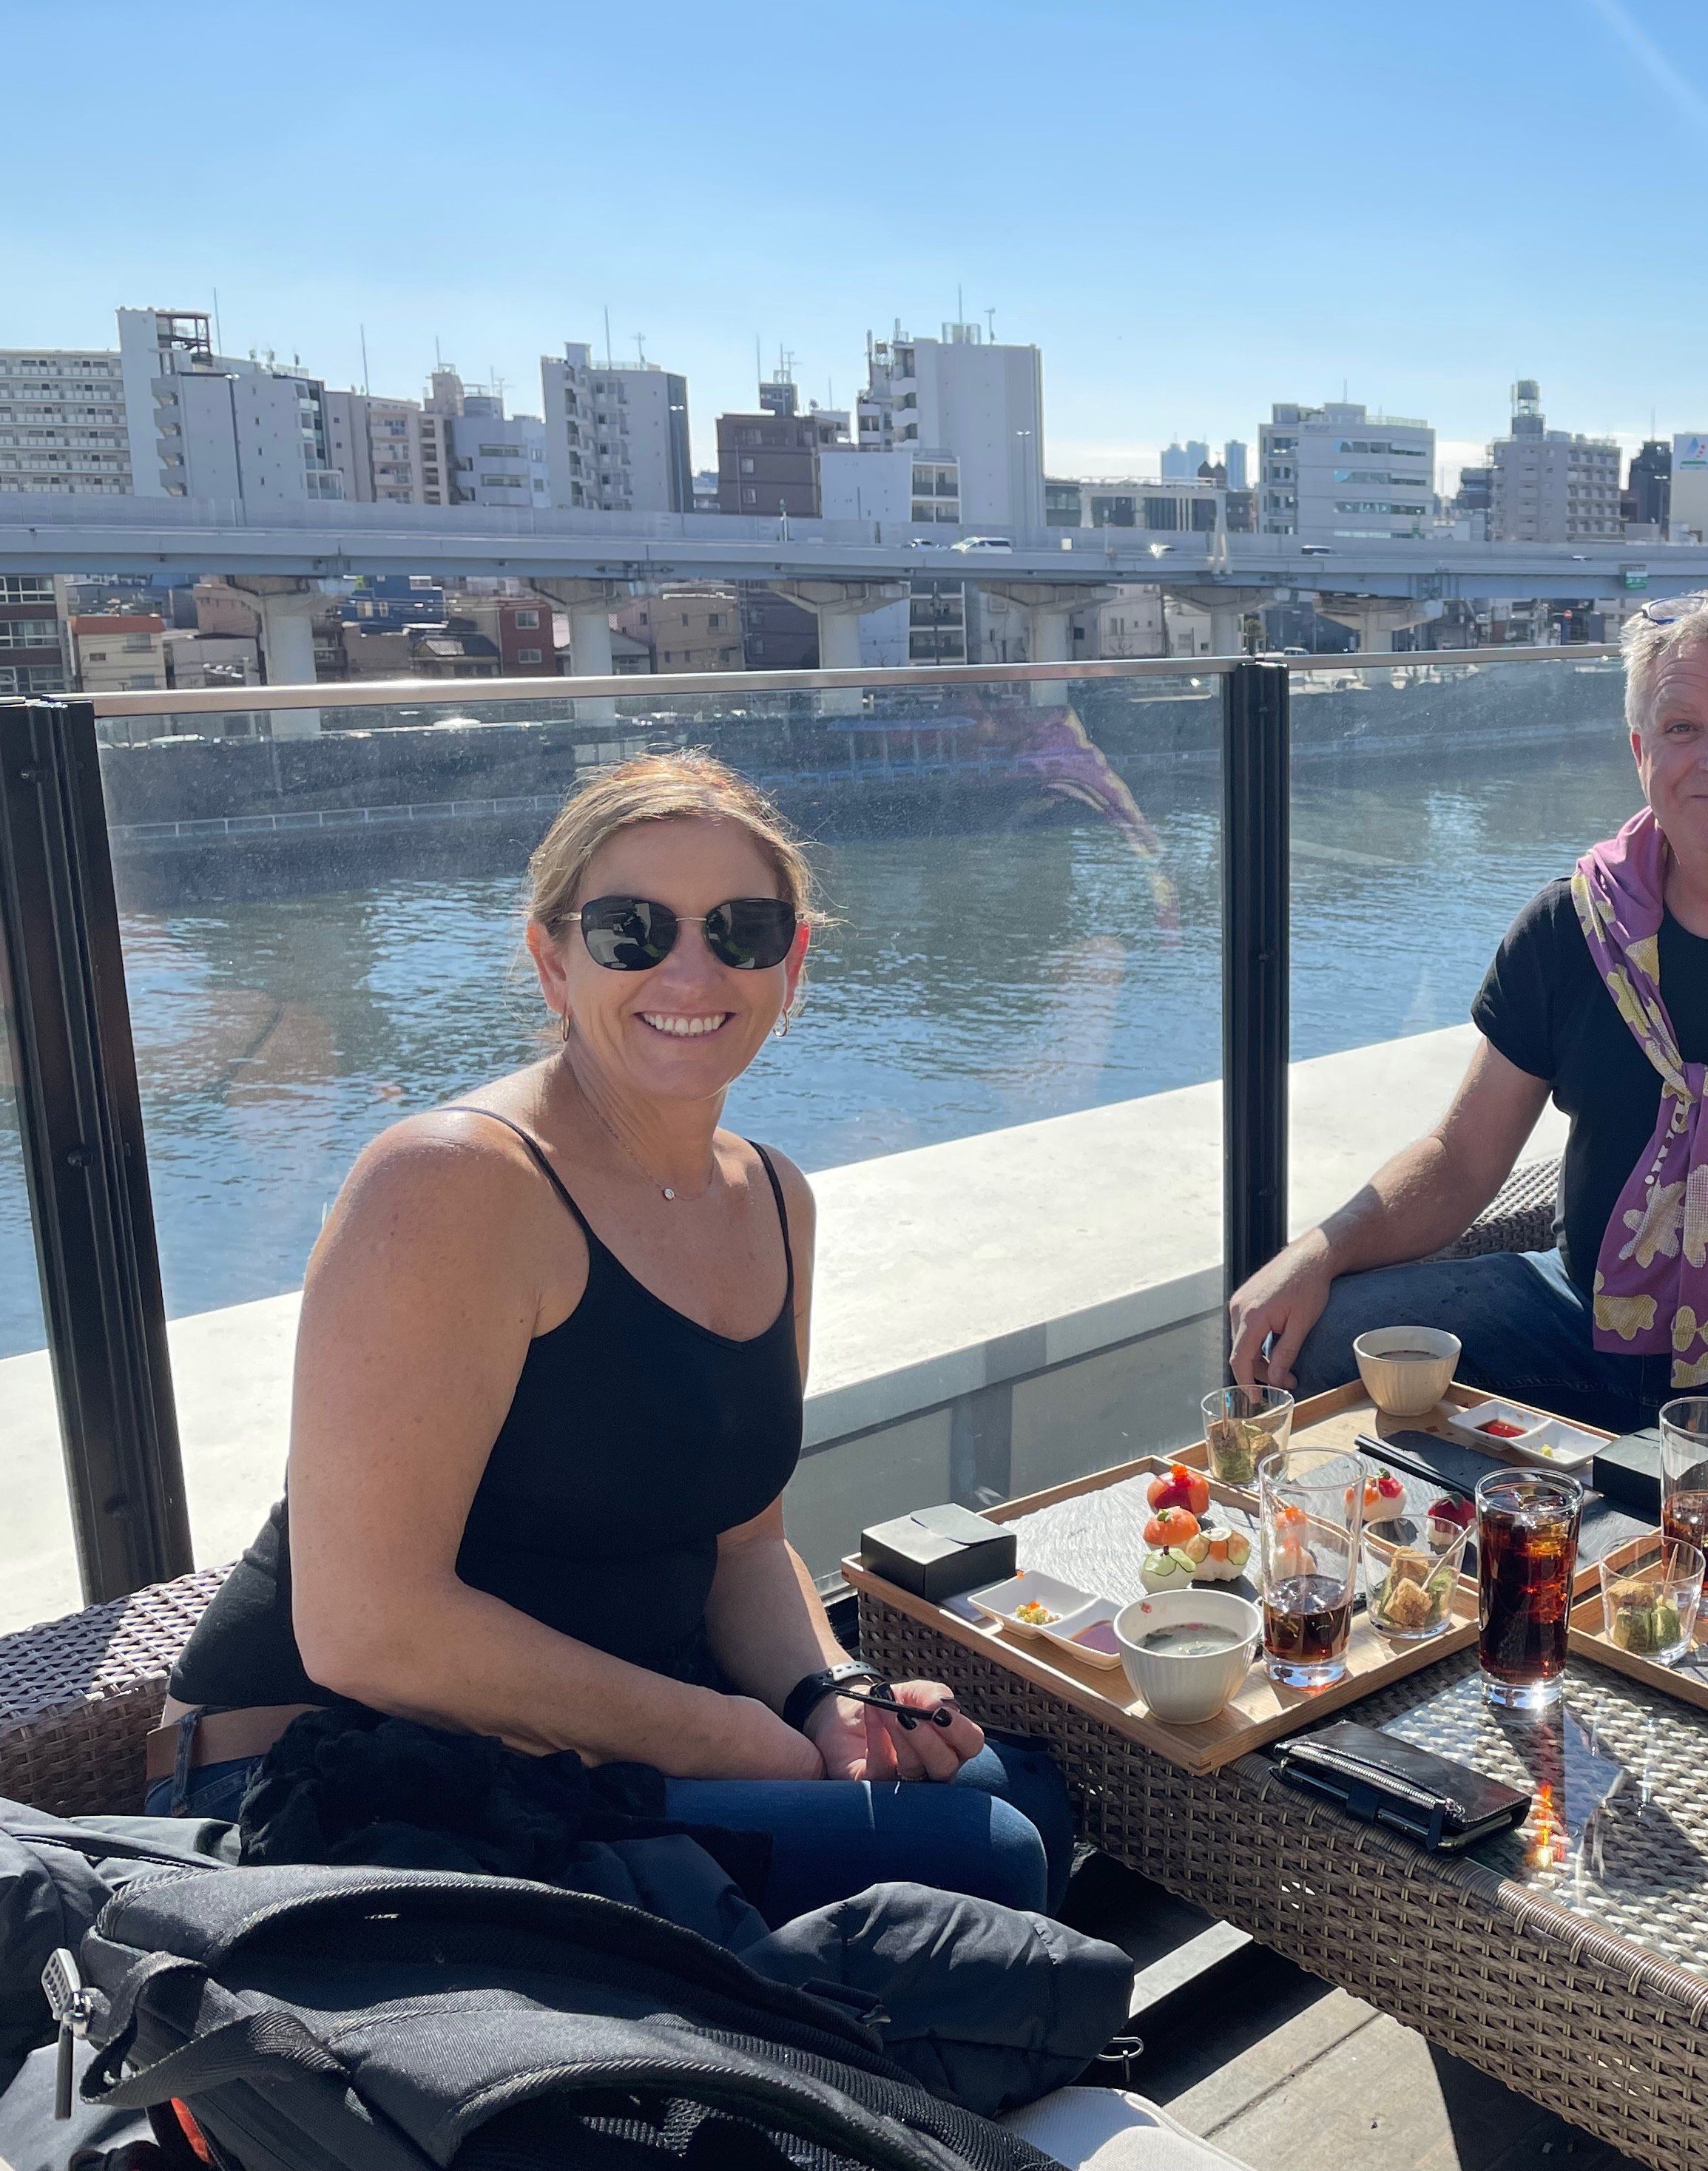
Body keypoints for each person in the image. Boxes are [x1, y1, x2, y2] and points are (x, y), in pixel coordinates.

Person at [155, 752, 1072, 1925]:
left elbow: (742, 1546)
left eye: (742, 929)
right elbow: (366, 1629)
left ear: (792, 965)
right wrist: (727, 1734)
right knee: (984, 1855)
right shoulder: (452, 1182)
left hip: (597, 1735)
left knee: (1019, 1795)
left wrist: (824, 1693)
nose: (692, 968)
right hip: (337, 1770)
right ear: (552, 961)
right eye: (631, 929)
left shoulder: (774, 1199)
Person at [1226, 589, 1708, 1499]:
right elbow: (1459, 1159)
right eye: (1682, 729)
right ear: (1641, 753)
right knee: (1328, 1335)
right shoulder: (1576, 924)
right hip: (1577, 1314)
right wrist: (1314, 1254)